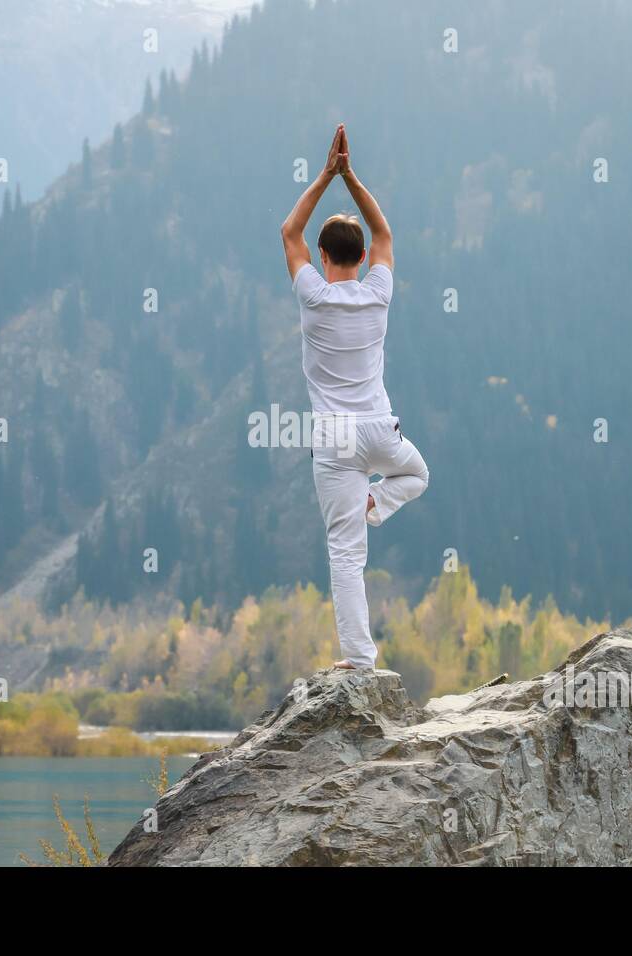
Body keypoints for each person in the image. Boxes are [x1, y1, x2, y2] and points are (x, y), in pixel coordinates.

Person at [279, 124, 430, 671]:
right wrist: (352, 176)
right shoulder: (377, 294)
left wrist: (325, 174)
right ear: (363, 258)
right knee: (417, 476)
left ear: (322, 257)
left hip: (335, 440)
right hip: (379, 430)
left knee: (346, 554)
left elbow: (287, 231)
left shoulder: (314, 298)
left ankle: (359, 660)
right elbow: (386, 233)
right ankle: (378, 504)